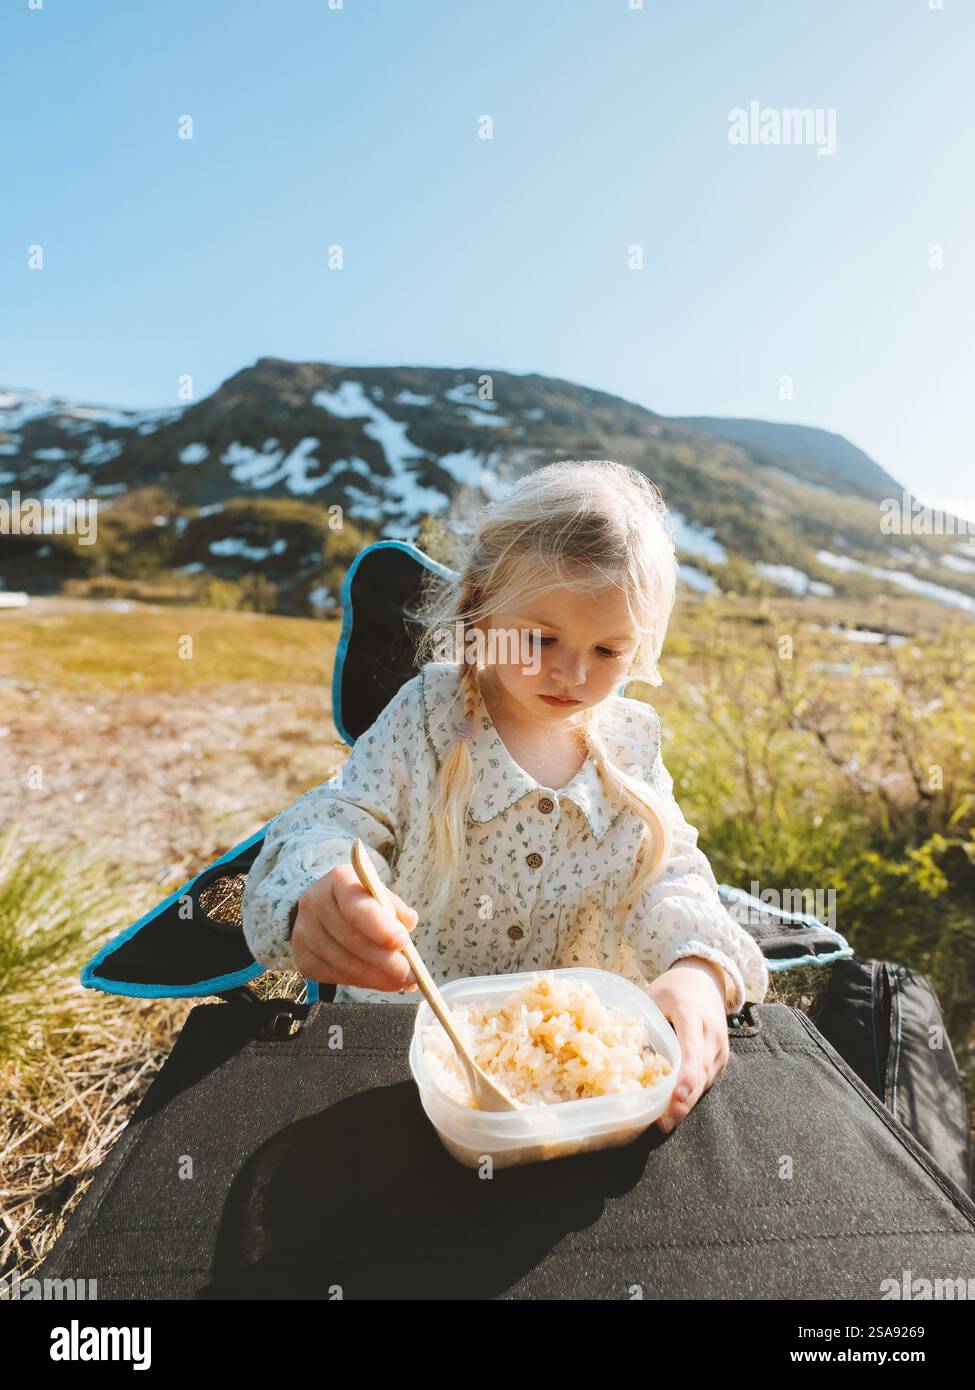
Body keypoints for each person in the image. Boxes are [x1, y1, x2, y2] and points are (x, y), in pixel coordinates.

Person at [242, 459, 768, 1133]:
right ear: (479, 605)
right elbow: (327, 819)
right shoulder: (427, 719)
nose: (572, 673)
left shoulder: (631, 743)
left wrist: (698, 966)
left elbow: (667, 874)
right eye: (540, 638)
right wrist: (314, 895)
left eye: (609, 650)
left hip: (580, 1084)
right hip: (401, 1066)